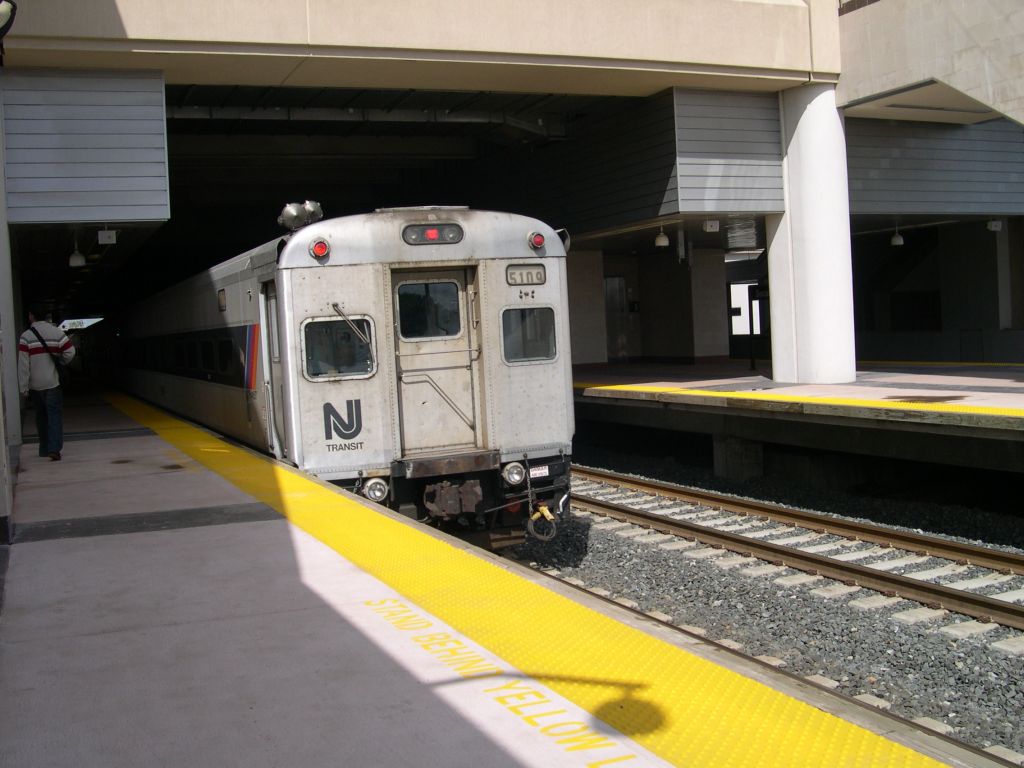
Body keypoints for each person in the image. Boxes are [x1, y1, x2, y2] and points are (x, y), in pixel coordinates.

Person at [18, 304, 76, 460]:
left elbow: (23, 365)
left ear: (31, 316)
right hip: (53, 382)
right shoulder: (56, 332)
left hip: (35, 386)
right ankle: (54, 449)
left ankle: (44, 448)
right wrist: (62, 362)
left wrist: (23, 388)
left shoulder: (25, 337)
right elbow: (70, 352)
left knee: (41, 417)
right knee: (54, 416)